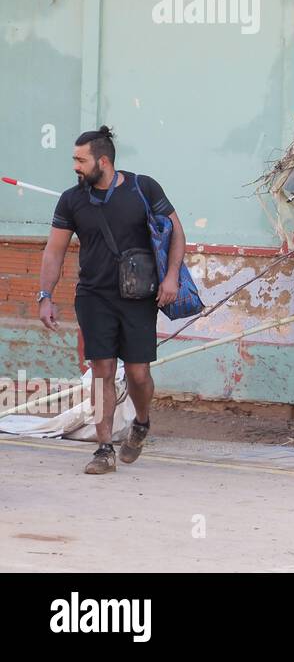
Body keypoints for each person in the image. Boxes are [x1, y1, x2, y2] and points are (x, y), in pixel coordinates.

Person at [37, 126, 185, 474]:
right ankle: (103, 449)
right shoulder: (71, 200)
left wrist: (172, 276)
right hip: (93, 296)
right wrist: (45, 296)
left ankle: (142, 423)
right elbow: (53, 252)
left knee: (137, 373)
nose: (75, 166)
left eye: (80, 159)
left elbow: (177, 232)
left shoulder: (143, 188)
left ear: (102, 161)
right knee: (102, 370)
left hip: (138, 296)